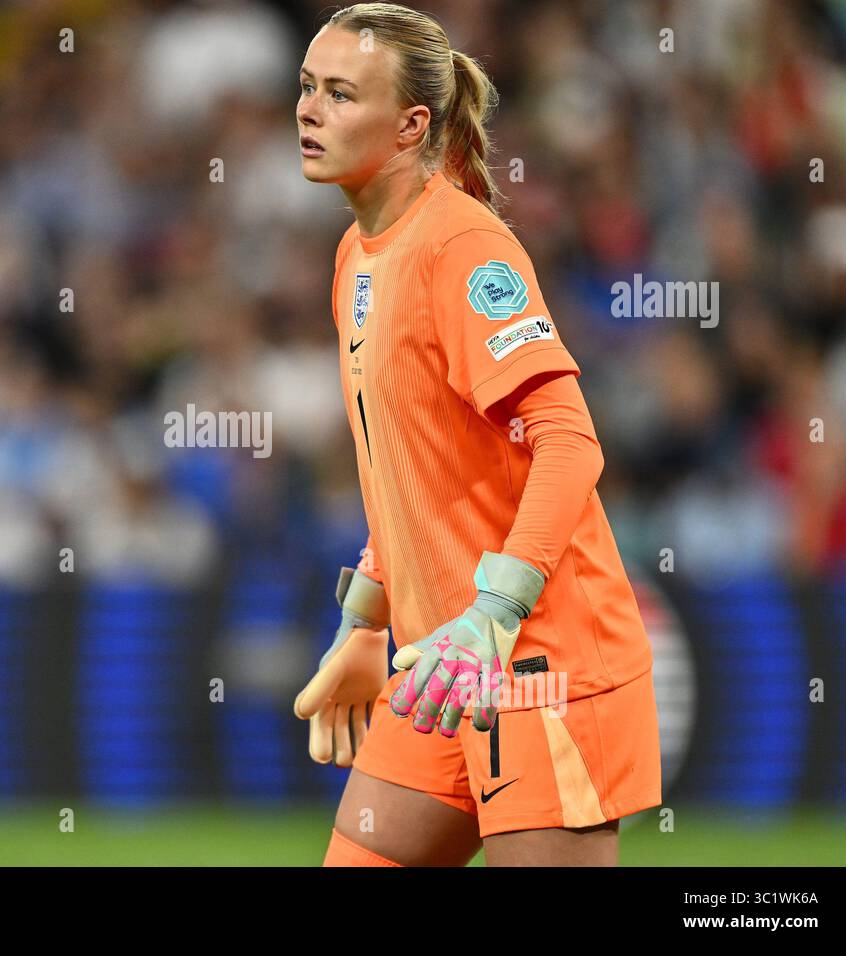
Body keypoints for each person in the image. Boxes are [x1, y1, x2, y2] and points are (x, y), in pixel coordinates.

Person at [292, 2, 661, 866]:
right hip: (444, 664)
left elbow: (569, 443)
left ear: (412, 125)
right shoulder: (356, 256)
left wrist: (494, 614)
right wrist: (368, 619)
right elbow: (410, 472)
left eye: (341, 94)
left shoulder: (461, 248)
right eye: (307, 86)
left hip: (540, 667)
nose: (308, 110)